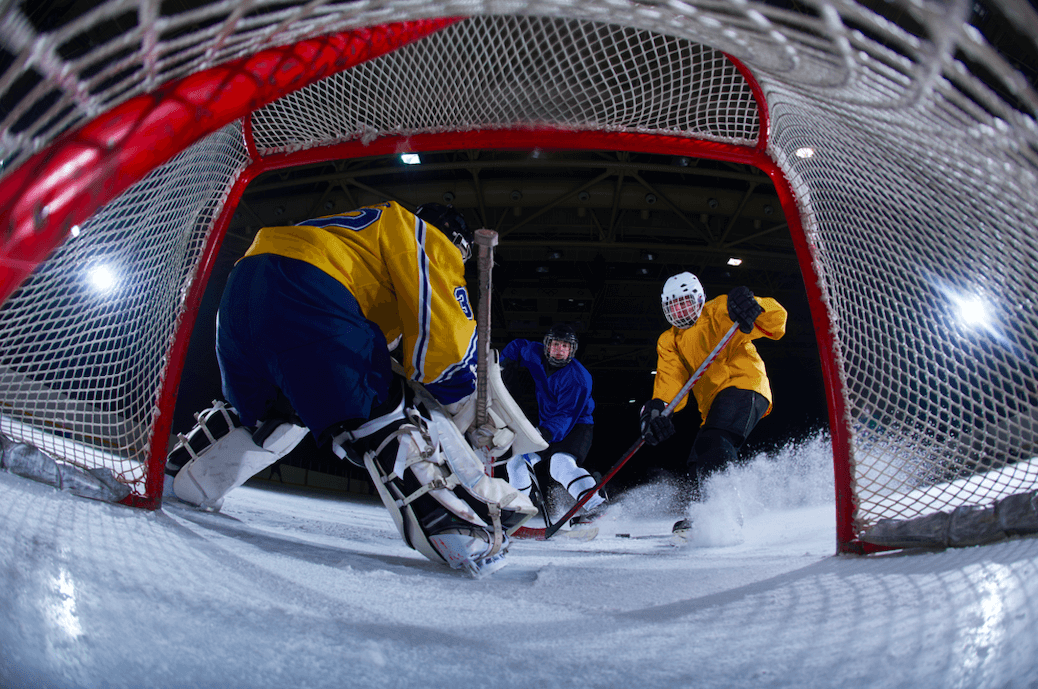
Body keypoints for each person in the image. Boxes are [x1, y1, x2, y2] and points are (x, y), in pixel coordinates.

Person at [165, 200, 535, 577]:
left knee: (270, 412)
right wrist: (462, 401)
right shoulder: (424, 237)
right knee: (385, 406)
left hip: (244, 287)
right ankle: (462, 535)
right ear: (456, 241)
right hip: (310, 291)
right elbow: (445, 343)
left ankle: (179, 478)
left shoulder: (361, 234)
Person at [638, 271, 787, 535]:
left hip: (744, 384)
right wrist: (658, 409)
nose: (680, 310)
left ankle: (726, 513)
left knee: (715, 442)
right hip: (714, 405)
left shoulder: (719, 310)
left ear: (698, 299)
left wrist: (751, 306)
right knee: (700, 456)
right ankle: (708, 517)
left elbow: (777, 322)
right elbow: (671, 380)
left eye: (685, 302)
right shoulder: (669, 340)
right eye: (674, 305)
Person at [500, 323, 606, 527]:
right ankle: (518, 510)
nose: (560, 350)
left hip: (576, 426)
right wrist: (504, 363)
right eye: (556, 345)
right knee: (516, 462)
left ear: (571, 351)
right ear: (547, 346)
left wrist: (545, 432)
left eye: (565, 347)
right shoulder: (534, 354)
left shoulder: (579, 378)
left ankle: (597, 506)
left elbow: (567, 413)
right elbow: (518, 345)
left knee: (560, 465)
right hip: (547, 426)